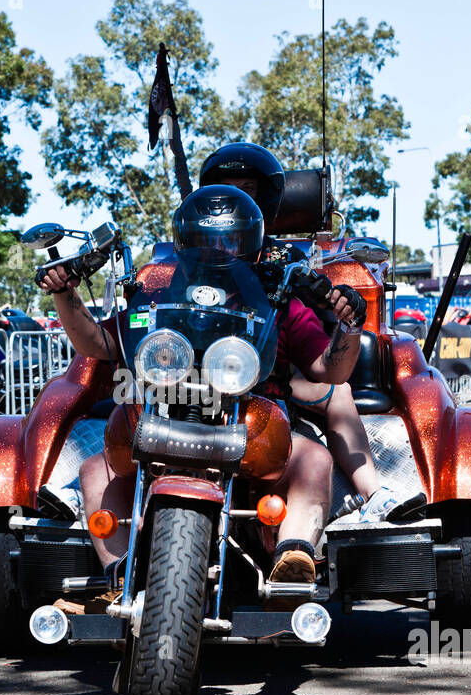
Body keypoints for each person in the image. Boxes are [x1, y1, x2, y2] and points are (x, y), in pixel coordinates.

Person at [39, 183, 364, 587]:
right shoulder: (156, 298)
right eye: (206, 240)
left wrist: (350, 325)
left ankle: (293, 552)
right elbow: (97, 343)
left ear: (251, 244)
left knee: (314, 460)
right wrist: (65, 294)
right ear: (186, 243)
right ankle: (117, 576)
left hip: (251, 420)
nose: (219, 250)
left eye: (230, 240)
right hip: (163, 410)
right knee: (95, 471)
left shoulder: (281, 299)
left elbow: (328, 371)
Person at [198, 142, 425, 523]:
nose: (234, 199)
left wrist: (344, 312)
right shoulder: (185, 259)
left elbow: (317, 319)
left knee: (338, 391)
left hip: (273, 376)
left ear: (266, 199)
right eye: (227, 188)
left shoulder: (286, 262)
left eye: (247, 190)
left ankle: (374, 492)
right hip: (196, 383)